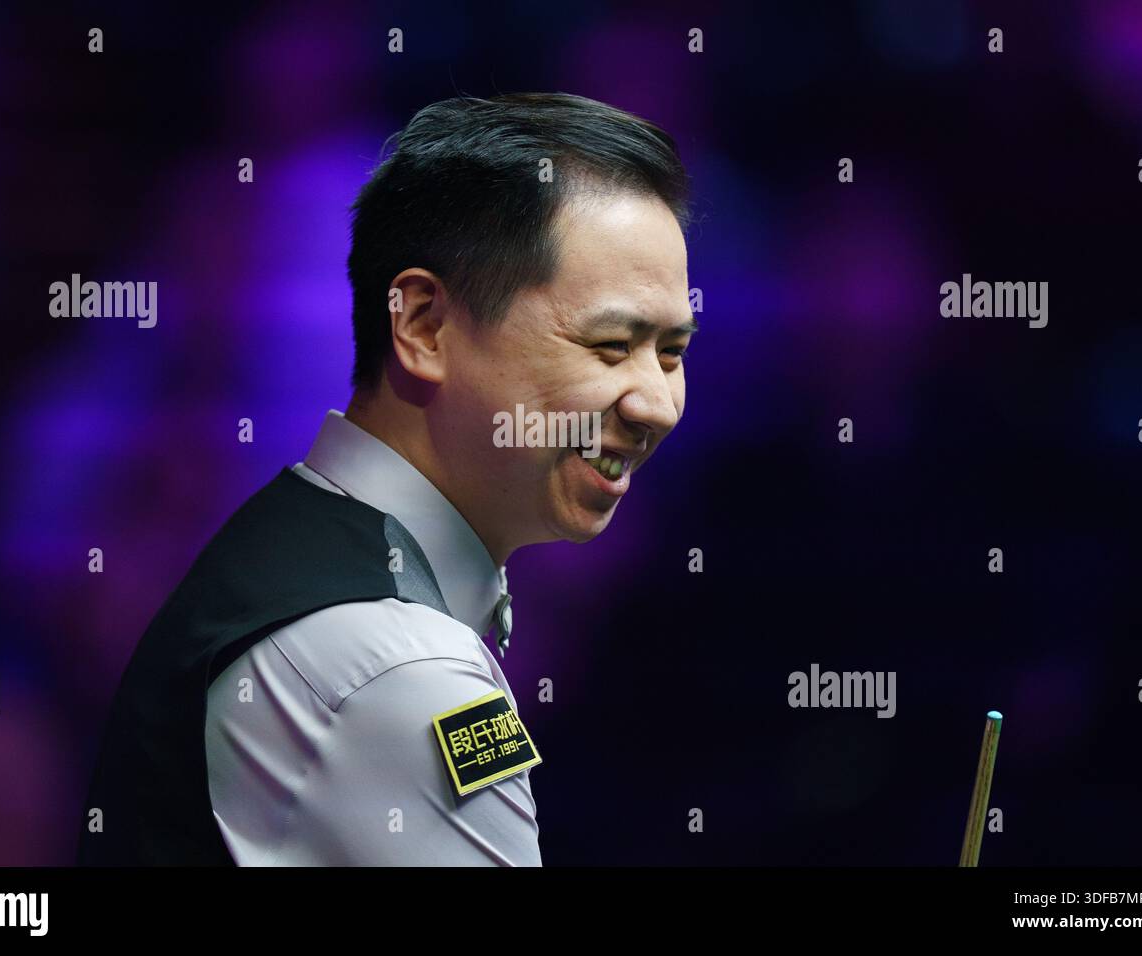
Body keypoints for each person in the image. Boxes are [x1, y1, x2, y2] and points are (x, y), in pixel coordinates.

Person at [77, 91, 696, 866]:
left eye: (671, 351)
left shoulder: (290, 538)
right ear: (424, 327)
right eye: (610, 343)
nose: (658, 404)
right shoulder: (401, 664)